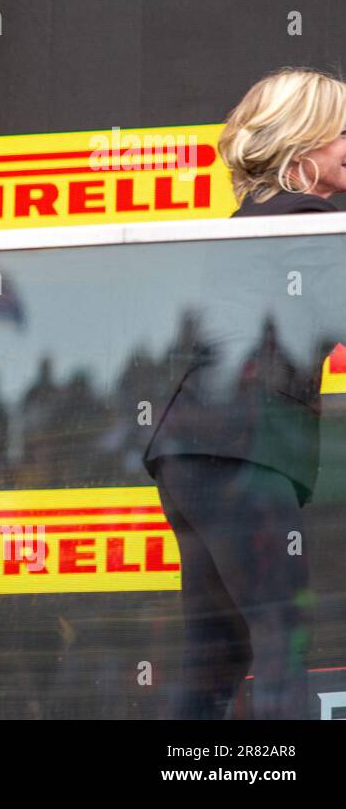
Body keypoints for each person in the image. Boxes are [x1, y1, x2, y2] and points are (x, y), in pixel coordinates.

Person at [145, 66, 346, 719]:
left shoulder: (256, 217)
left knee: (219, 648)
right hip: (244, 451)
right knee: (280, 632)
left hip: (190, 452)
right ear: (302, 142)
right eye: (342, 130)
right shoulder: (308, 220)